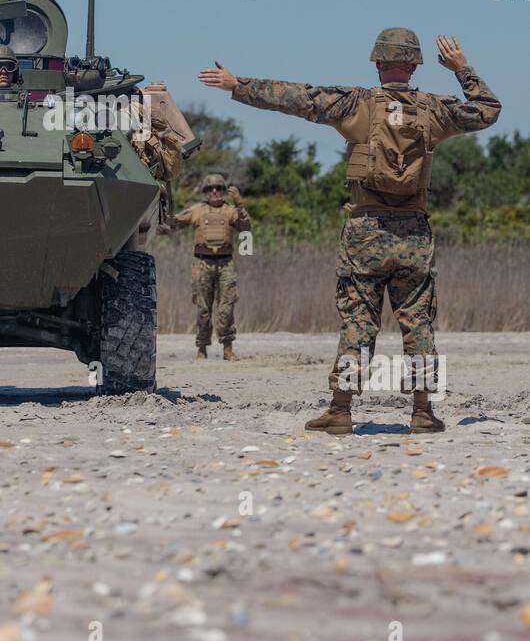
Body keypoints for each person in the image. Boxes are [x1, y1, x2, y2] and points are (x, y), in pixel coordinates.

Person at [199, 31, 501, 433]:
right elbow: (487, 109)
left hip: (365, 235)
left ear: (377, 64)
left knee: (358, 322)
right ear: (416, 65)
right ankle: (423, 412)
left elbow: (298, 98)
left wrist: (239, 86)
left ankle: (341, 411)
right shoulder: (435, 110)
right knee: (419, 324)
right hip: (414, 234)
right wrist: (461, 68)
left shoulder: (355, 104)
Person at [170, 173, 252, 361]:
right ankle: (202, 348)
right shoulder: (197, 210)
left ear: (223, 191)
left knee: (227, 307)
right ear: (206, 192)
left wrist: (240, 205)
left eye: (218, 188)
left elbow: (246, 228)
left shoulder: (231, 211)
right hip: (202, 263)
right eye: (210, 189)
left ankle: (227, 348)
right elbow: (172, 224)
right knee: (203, 309)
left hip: (225, 264)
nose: (214, 192)